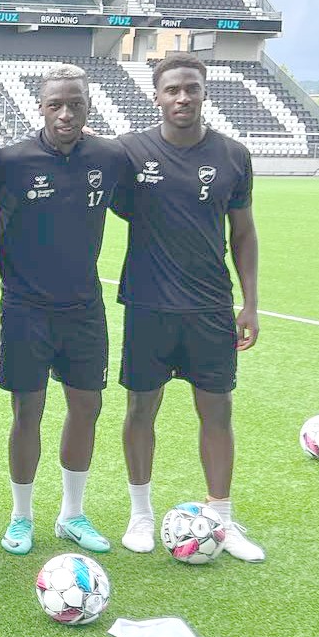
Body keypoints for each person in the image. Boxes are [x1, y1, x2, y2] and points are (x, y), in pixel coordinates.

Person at [112, 53, 264, 561]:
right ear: (156, 95)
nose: (182, 97)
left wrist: (250, 303)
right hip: (148, 304)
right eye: (173, 89)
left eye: (191, 88)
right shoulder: (129, 152)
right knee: (140, 409)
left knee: (217, 411)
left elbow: (243, 233)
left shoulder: (233, 155)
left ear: (204, 92)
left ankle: (221, 516)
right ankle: (140, 515)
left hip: (210, 306)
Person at [0, 64, 129, 557]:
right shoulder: (12, 160)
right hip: (25, 308)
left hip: (84, 308)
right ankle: (21, 516)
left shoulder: (109, 157)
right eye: (56, 104)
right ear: (41, 107)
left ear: (88, 107)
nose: (66, 113)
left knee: (86, 407)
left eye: (75, 104)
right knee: (27, 411)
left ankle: (72, 513)